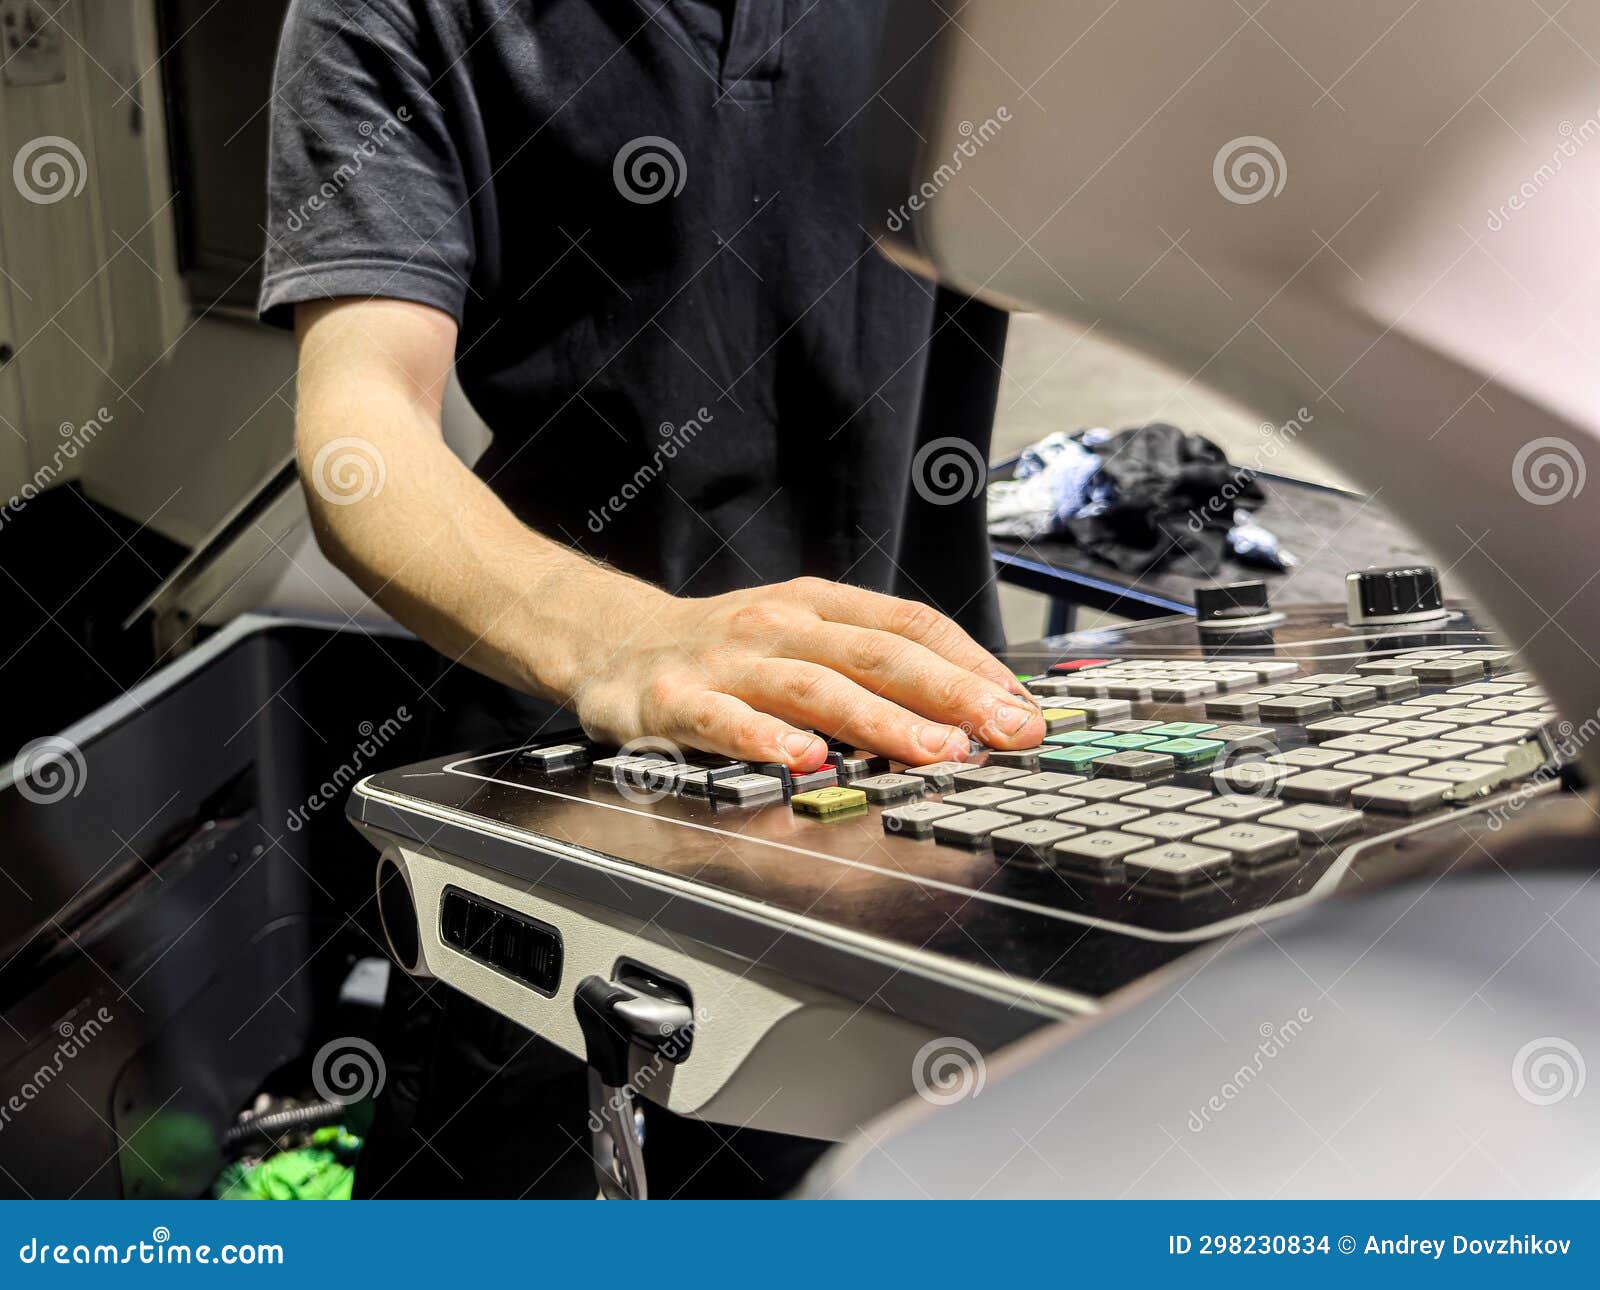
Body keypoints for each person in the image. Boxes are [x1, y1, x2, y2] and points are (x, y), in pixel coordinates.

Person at [260, 0, 1042, 1195]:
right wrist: (632, 639)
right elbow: (360, 430)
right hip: (560, 822)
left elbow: (1119, 239)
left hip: (917, 787)